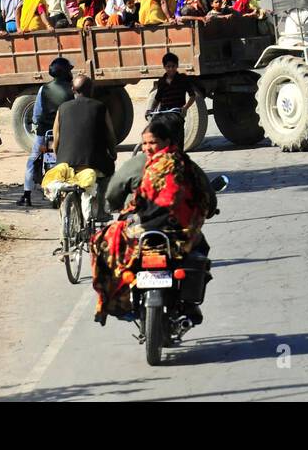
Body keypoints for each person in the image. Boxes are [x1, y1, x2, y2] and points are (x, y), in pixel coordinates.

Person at [90, 117, 215, 325]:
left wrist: (122, 210)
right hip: (179, 233)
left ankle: (117, 301)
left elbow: (119, 195)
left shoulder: (144, 163)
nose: (148, 148)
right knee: (200, 248)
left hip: (146, 229)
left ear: (166, 142)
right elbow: (205, 195)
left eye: (152, 143)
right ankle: (191, 302)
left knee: (103, 243)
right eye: (145, 143)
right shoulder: (185, 163)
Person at [52, 74, 118, 218]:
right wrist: (113, 153)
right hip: (94, 162)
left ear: (72, 90)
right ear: (91, 90)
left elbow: (55, 137)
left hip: (66, 162)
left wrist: (59, 158)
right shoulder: (100, 107)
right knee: (108, 172)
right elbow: (110, 135)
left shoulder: (62, 108)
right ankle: (101, 210)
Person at [19, 56, 75, 206]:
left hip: (44, 134)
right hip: (65, 133)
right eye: (69, 70)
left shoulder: (44, 88)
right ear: (65, 72)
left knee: (33, 160)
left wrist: (37, 123)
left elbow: (37, 111)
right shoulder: (72, 89)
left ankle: (27, 194)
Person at [148, 52, 198, 119]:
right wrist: (150, 110)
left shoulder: (183, 79)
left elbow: (192, 96)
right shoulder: (161, 81)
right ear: (164, 67)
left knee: (173, 126)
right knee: (153, 127)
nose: (171, 69)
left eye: (173, 66)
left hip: (177, 114)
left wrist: (185, 108)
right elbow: (157, 98)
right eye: (168, 67)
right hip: (163, 114)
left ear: (177, 66)